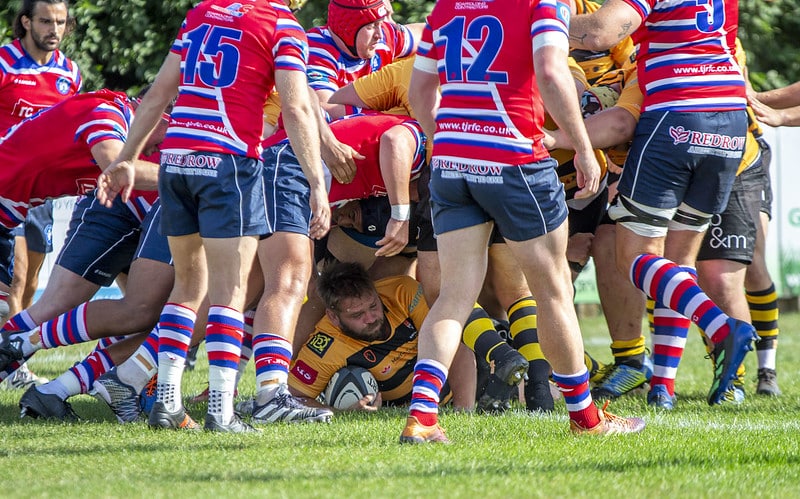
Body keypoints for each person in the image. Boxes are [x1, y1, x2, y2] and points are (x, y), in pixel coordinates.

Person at [398, 0, 645, 444]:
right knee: (552, 291)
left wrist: (449, 142)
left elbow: (419, 92)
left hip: (452, 162)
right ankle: (586, 419)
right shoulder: (541, 2)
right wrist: (584, 148)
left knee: (454, 296)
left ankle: (422, 417)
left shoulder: (445, 8)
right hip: (514, 157)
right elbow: (551, 73)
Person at [97, 0, 330, 433]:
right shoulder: (282, 24)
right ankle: (222, 414)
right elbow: (297, 108)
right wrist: (318, 182)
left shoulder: (202, 11)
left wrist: (127, 158)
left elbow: (158, 94)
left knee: (187, 287)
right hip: (227, 163)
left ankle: (166, 401)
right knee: (230, 293)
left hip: (178, 160)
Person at [569, 0, 759, 406]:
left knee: (633, 259)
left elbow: (602, 31)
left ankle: (722, 328)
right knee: (676, 265)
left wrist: (533, 20)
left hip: (677, 114)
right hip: (730, 120)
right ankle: (663, 389)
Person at [0, 0, 82, 388]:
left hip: (43, 193)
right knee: (15, 277)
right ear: (26, 22)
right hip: (7, 182)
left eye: (61, 22)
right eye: (46, 21)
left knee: (31, 279)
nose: (54, 29)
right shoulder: (4, 62)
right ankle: (14, 368)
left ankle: (11, 346)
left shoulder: (70, 73)